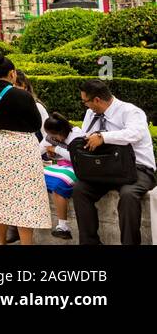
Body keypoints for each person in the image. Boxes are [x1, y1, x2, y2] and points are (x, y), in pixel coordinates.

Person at [0, 55, 52, 244]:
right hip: (21, 149)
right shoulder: (23, 95)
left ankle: (1, 243)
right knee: (25, 200)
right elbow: (36, 123)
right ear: (12, 73)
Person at [73, 79, 157, 245]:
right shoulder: (91, 113)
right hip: (107, 168)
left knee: (128, 195)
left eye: (85, 102)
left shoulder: (130, 111)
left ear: (97, 100)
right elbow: (86, 136)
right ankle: (89, 243)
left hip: (138, 169)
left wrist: (103, 137)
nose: (85, 106)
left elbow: (134, 134)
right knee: (80, 190)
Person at [41, 112, 83, 240]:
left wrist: (56, 149)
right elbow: (39, 149)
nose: (52, 138)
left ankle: (63, 226)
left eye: (54, 135)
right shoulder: (51, 137)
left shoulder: (76, 135)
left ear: (62, 131)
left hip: (77, 167)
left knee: (59, 184)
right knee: (35, 175)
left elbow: (77, 157)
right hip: (60, 166)